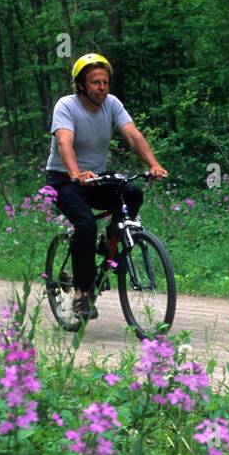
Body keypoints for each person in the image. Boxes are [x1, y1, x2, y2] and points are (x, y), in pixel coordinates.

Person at [45, 53, 168, 321]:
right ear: (81, 85)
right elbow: (65, 142)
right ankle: (81, 294)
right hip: (64, 179)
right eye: (95, 82)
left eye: (105, 82)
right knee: (85, 224)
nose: (102, 87)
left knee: (132, 192)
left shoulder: (112, 104)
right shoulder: (66, 106)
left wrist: (153, 164)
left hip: (96, 177)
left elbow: (133, 135)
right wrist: (75, 173)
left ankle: (108, 241)